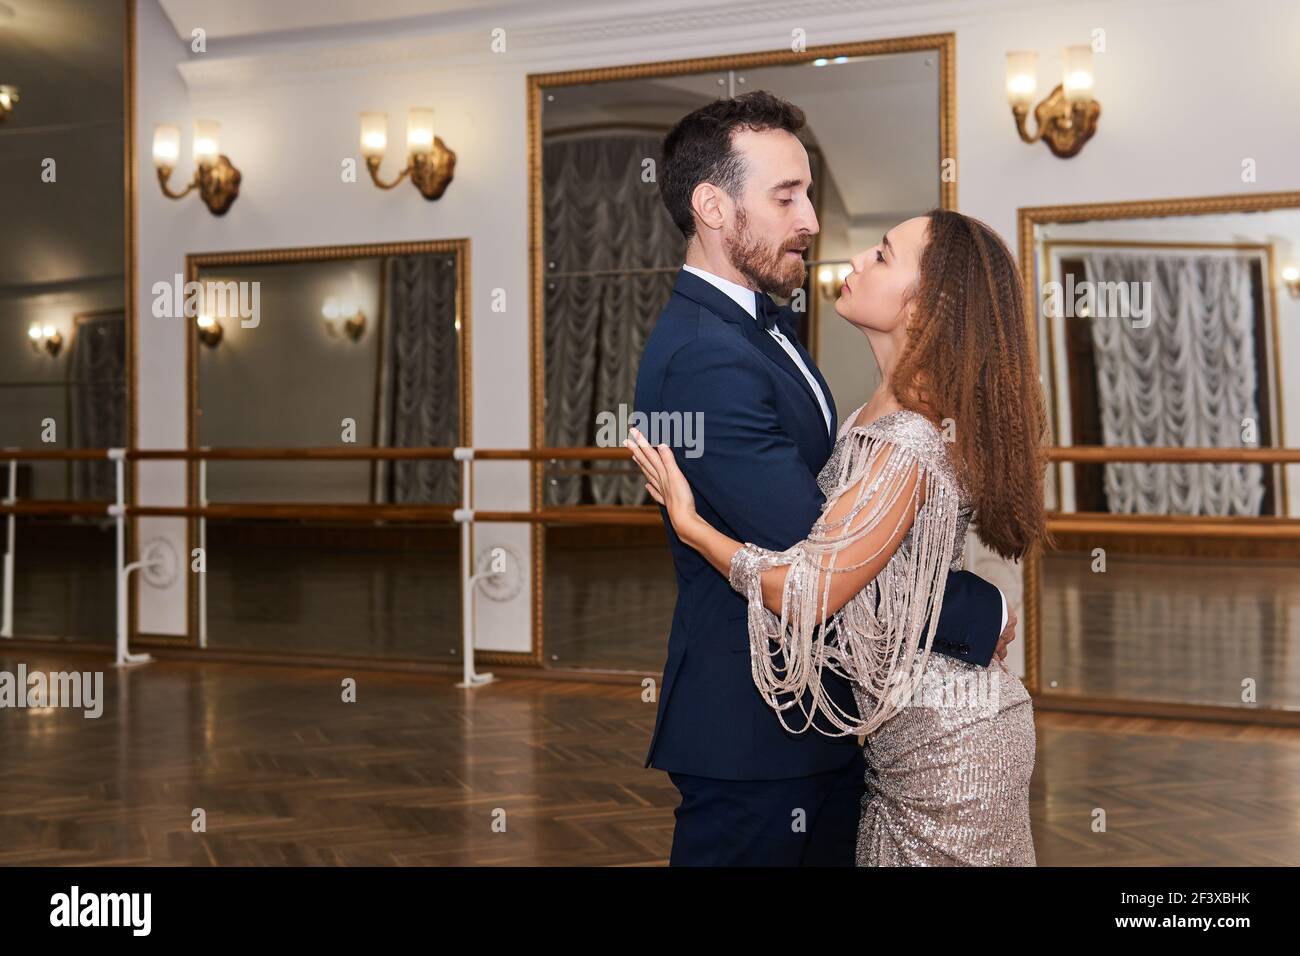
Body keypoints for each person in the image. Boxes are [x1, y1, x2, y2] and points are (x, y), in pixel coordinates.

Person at [630, 90, 1022, 866]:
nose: (811, 219)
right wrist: (983, 611)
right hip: (756, 732)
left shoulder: (762, 331)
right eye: (787, 196)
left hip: (823, 715)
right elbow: (819, 552)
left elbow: (849, 535)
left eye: (808, 192)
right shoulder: (707, 356)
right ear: (712, 207)